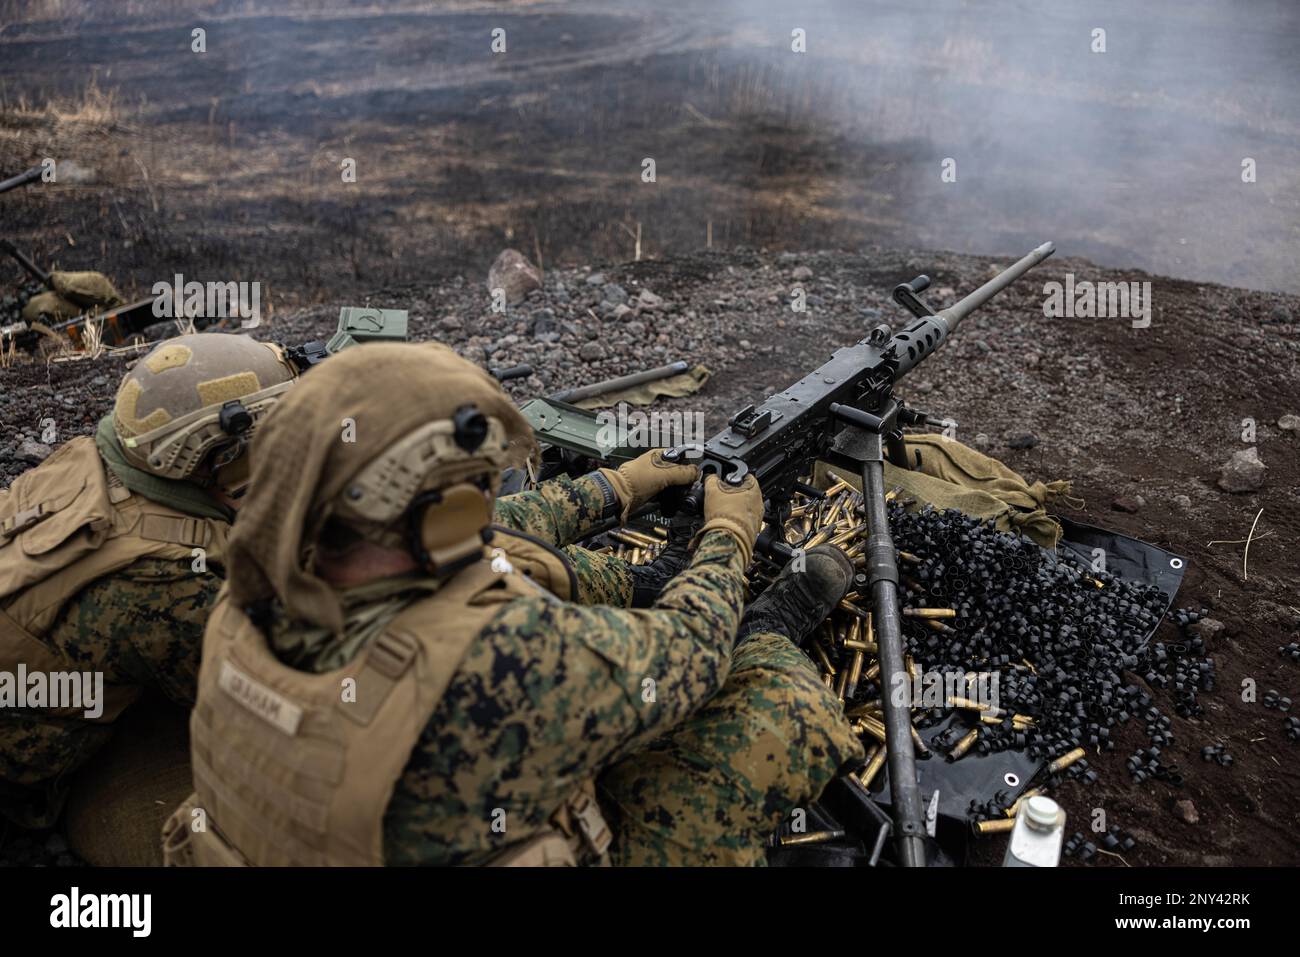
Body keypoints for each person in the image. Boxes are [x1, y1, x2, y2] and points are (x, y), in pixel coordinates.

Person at [164, 342, 862, 866]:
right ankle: (772, 634)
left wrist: (620, 485)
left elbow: (497, 535)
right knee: (773, 703)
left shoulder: (251, 588)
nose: (488, 501)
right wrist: (728, 533)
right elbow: (692, 650)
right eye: (477, 489)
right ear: (443, 512)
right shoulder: (505, 656)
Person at [0, 333, 296, 830]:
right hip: (26, 768)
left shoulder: (98, 454)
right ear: (217, 460)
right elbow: (282, 703)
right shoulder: (167, 585)